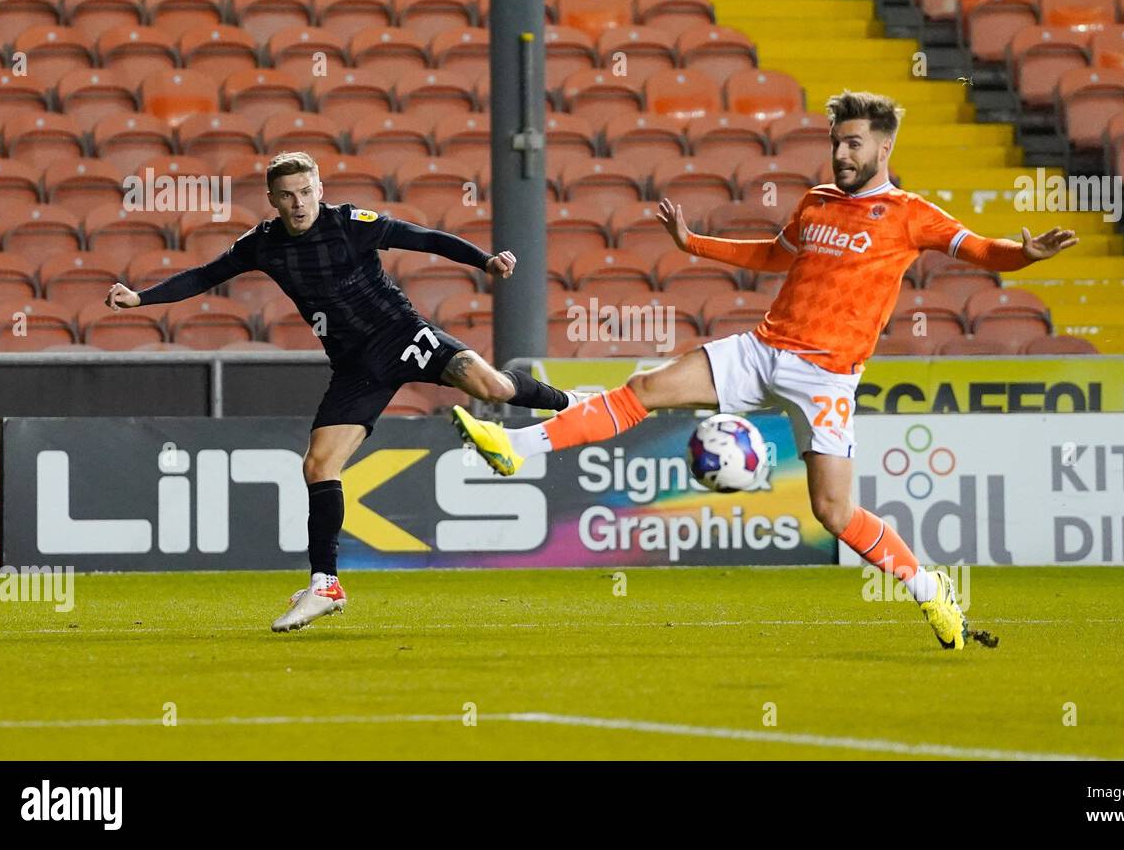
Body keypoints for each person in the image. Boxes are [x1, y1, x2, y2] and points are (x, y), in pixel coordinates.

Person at [452, 91, 1079, 650]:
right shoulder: (816, 203)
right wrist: (693, 244)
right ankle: (514, 446)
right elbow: (772, 256)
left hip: (826, 377)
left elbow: (978, 250)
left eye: (854, 143)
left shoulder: (912, 215)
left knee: (834, 513)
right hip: (762, 348)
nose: (841, 153)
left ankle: (928, 589)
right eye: (837, 142)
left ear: (884, 146)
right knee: (645, 388)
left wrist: (1023, 254)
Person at [105, 151, 579, 632]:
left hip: (402, 335)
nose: (298, 203)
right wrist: (141, 298)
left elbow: (423, 238)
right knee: (318, 465)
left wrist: (483, 260)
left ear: (319, 190)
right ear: (272, 199)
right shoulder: (263, 244)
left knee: (494, 386)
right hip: (356, 367)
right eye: (287, 196)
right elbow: (205, 275)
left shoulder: (351, 223)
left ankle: (575, 404)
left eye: (306, 192)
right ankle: (325, 583)